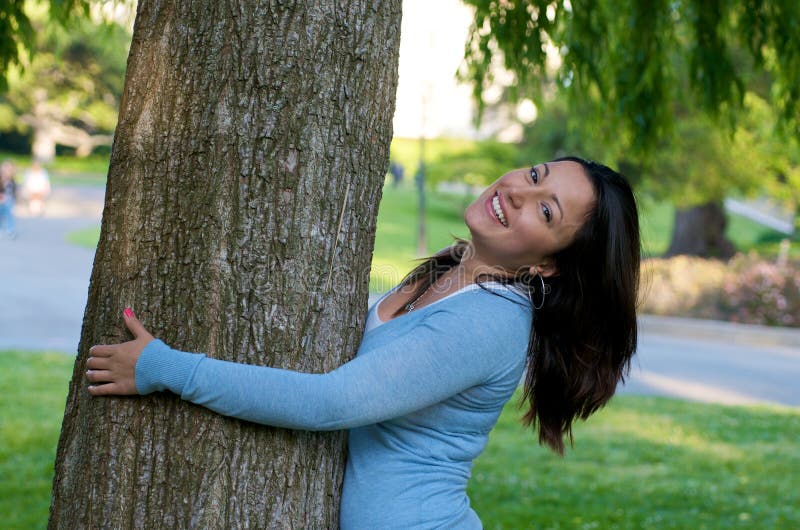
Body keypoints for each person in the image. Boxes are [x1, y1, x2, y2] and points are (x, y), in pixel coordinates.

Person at [86, 157, 641, 528]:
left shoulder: (492, 319)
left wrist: (167, 368)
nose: (518, 191)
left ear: (548, 264)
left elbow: (334, 402)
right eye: (536, 174)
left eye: (546, 210)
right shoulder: (450, 272)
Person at [0, 160, 18, 238]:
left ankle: (10, 229)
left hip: (9, 200)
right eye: (5, 168)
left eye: (9, 169)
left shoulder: (12, 180)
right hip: (1, 199)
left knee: (9, 214)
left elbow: (13, 192)